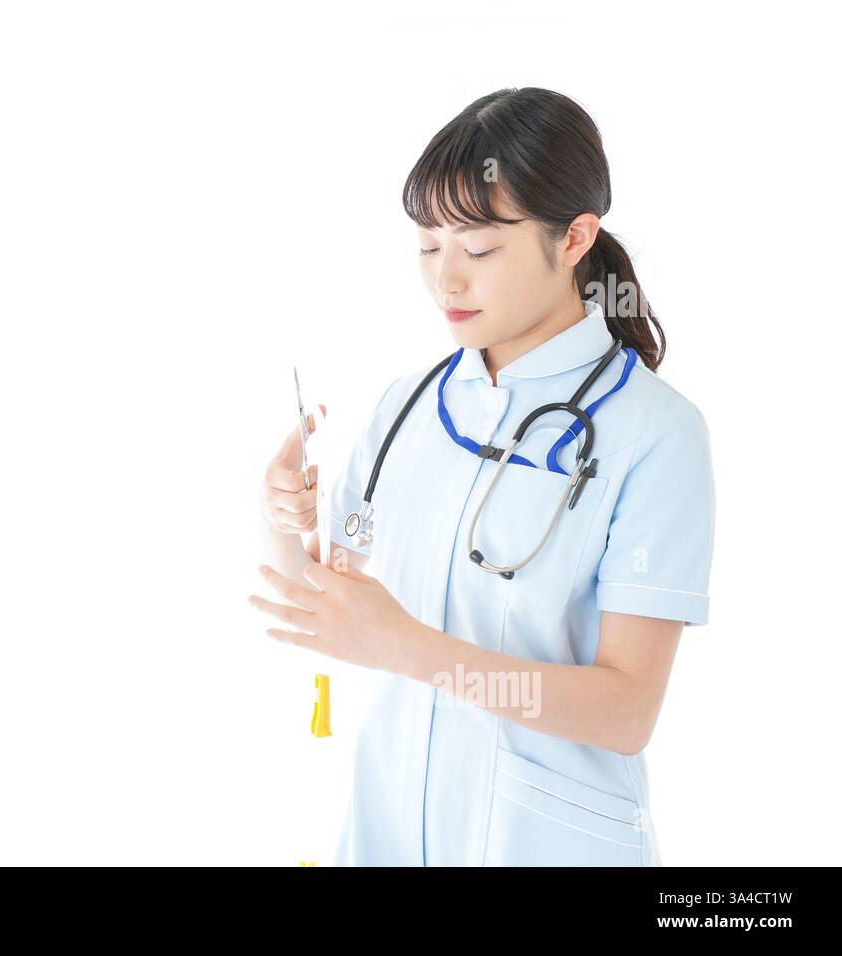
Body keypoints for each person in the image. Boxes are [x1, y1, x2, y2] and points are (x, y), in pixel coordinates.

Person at [248, 87, 715, 866]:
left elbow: (627, 707)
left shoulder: (655, 433)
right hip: (387, 836)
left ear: (574, 238)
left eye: (480, 249)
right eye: (429, 247)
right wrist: (278, 514)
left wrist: (408, 649)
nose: (446, 283)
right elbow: (322, 612)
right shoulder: (408, 410)